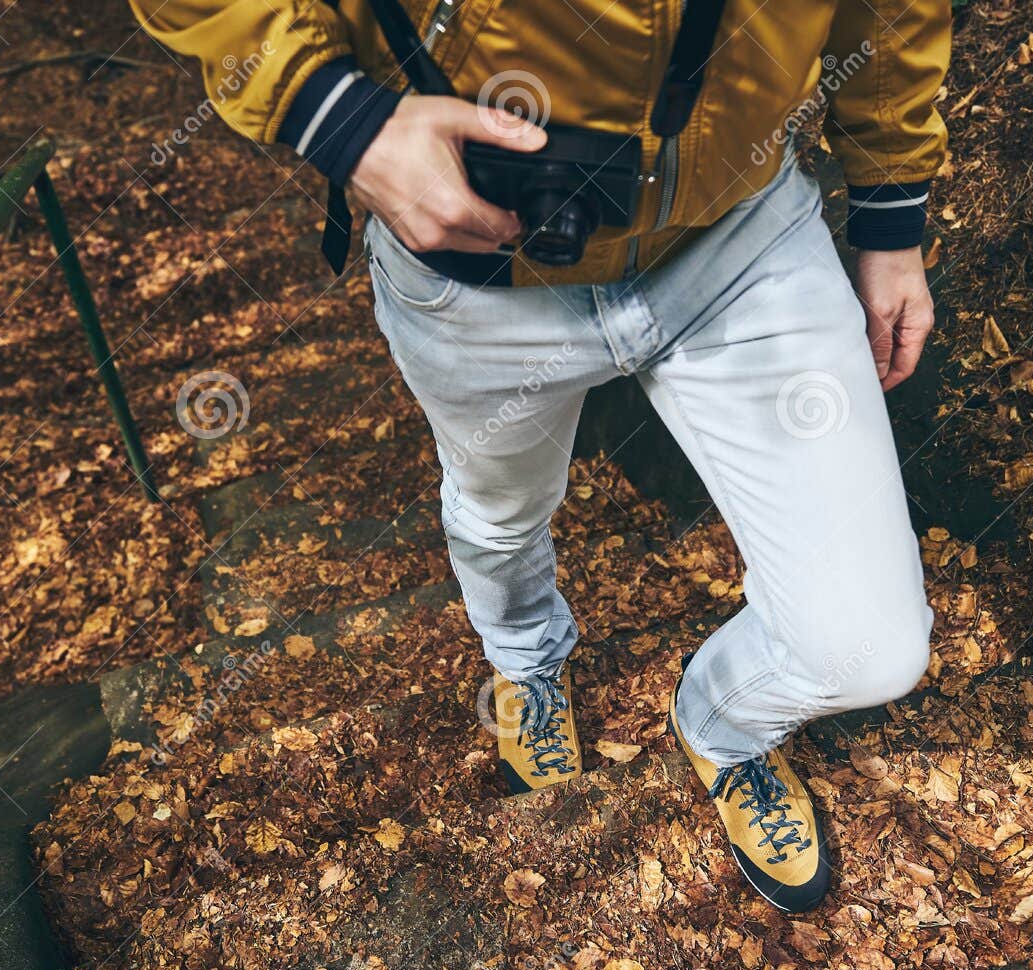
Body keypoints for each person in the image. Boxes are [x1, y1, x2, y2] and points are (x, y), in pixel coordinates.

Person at [130, 0, 951, 914]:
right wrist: (337, 115)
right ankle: (526, 661)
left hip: (739, 232)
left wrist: (890, 211)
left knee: (868, 646)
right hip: (478, 266)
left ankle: (726, 724)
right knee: (500, 509)